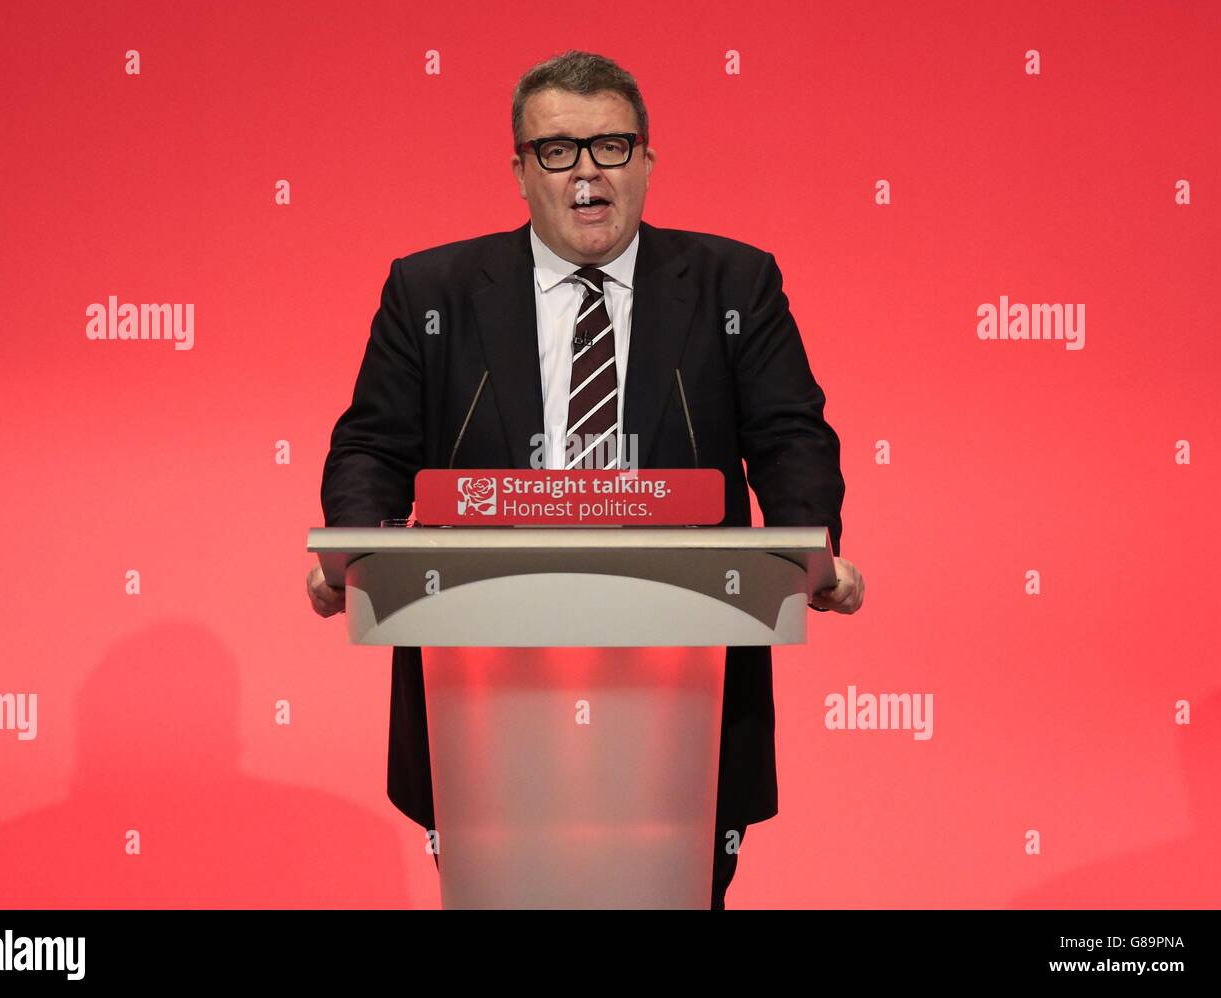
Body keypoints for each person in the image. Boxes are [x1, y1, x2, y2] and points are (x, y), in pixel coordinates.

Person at [307, 49, 865, 909]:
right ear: (520, 171)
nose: (585, 172)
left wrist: (814, 548)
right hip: (488, 675)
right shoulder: (434, 292)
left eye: (610, 145)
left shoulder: (734, 282)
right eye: (556, 151)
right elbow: (374, 447)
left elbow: (790, 434)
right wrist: (357, 550)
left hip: (681, 667)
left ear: (646, 160)